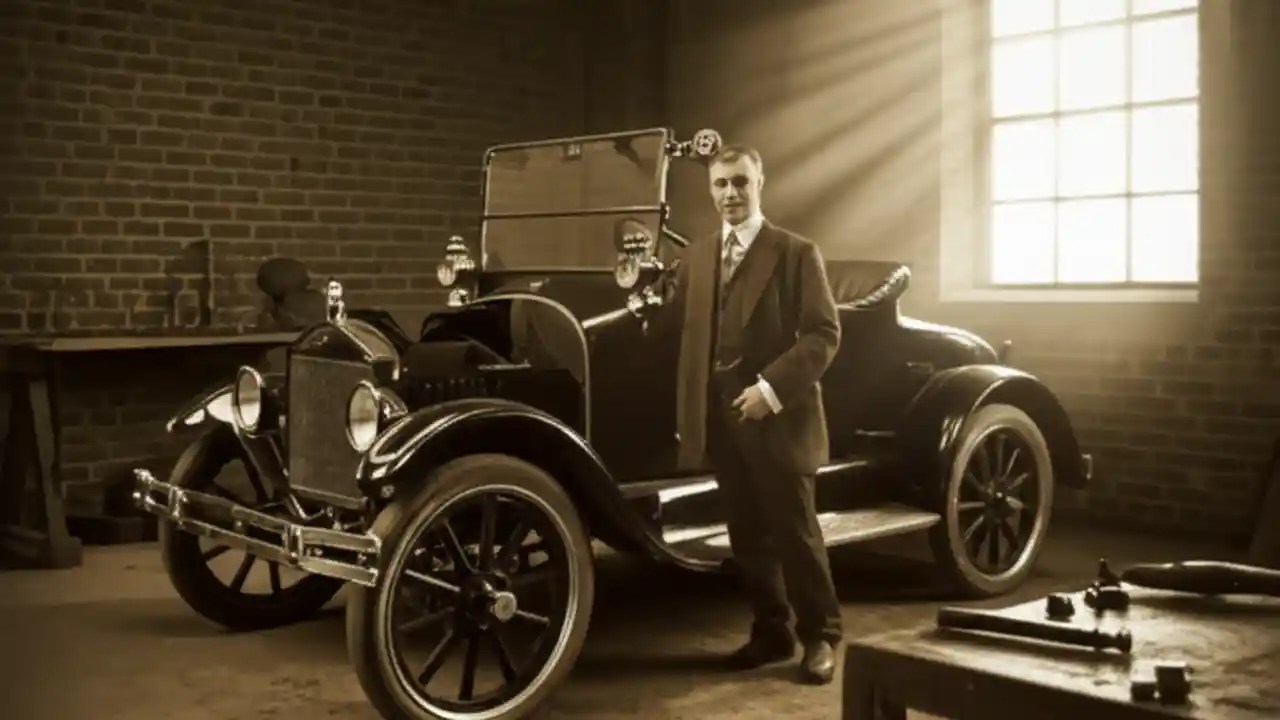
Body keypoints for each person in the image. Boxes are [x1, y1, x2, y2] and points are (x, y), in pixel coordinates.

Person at [669, 144, 844, 685]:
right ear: (710, 190)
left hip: (778, 414)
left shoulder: (796, 252)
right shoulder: (697, 256)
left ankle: (820, 637)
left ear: (760, 182)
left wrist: (771, 389)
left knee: (796, 532)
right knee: (746, 533)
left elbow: (823, 333)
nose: (731, 193)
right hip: (721, 417)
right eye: (721, 184)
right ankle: (772, 633)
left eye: (740, 181)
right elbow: (684, 336)